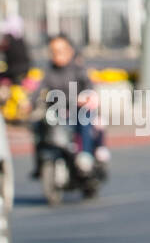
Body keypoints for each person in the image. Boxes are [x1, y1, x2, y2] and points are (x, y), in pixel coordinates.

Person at [31, 33, 108, 179]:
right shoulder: (49, 72)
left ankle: (85, 154)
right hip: (58, 112)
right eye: (53, 51)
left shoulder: (78, 69)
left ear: (69, 51)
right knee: (39, 126)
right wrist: (29, 103)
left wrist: (85, 98)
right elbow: (38, 89)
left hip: (78, 111)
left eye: (61, 51)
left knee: (84, 118)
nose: (57, 55)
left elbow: (89, 87)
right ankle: (40, 163)